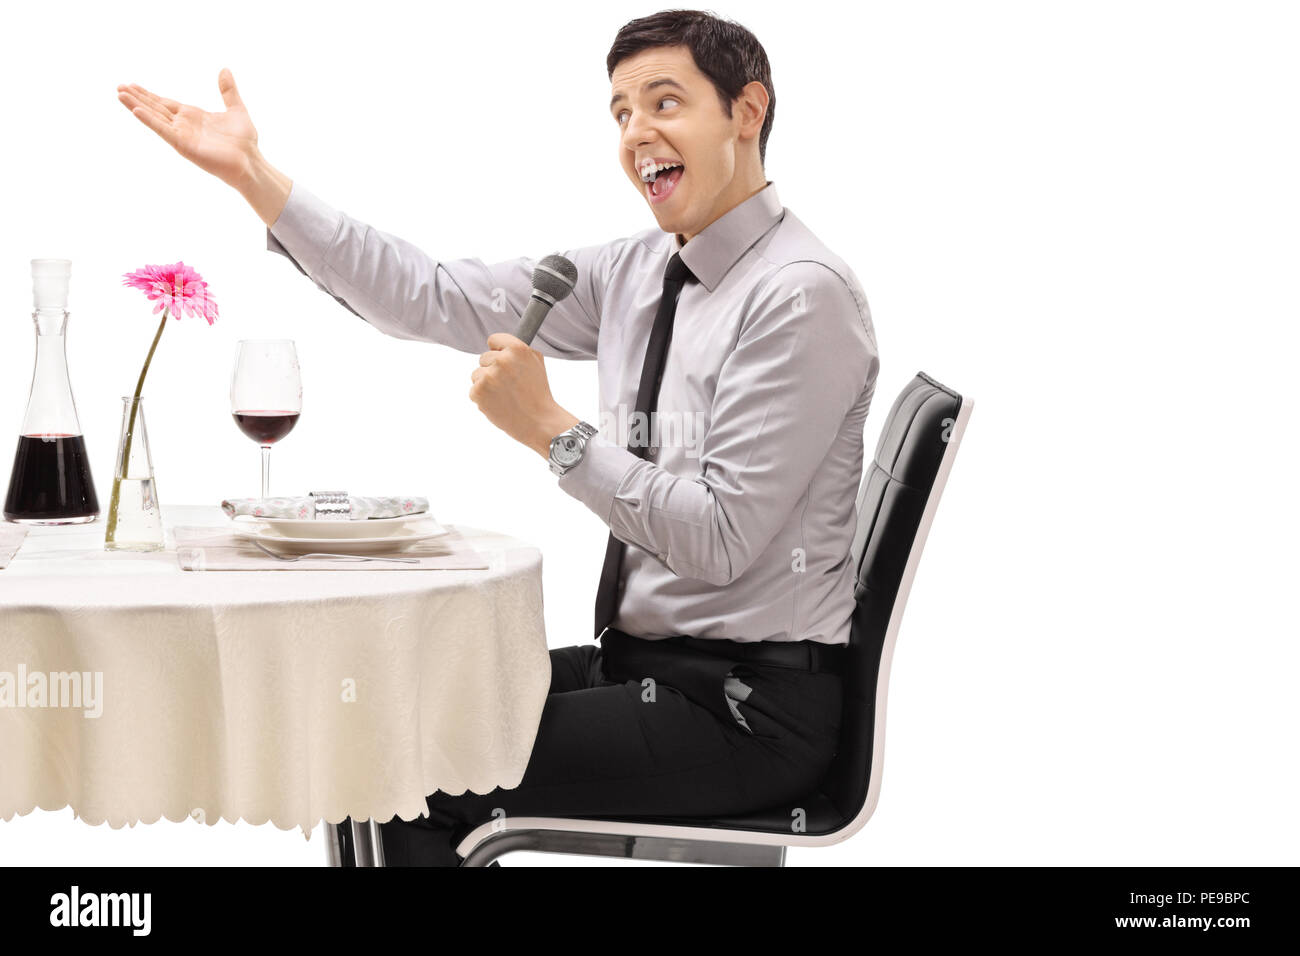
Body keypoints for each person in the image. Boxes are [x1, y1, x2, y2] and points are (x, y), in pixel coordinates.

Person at [117, 9, 879, 866]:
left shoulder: (798, 297)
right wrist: (257, 179)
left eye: (665, 103)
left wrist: (552, 433)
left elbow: (722, 539)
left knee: (417, 777)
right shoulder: (633, 271)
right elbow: (435, 294)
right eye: (621, 114)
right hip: (643, 666)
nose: (637, 134)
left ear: (747, 111)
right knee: (364, 721)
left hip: (746, 708)